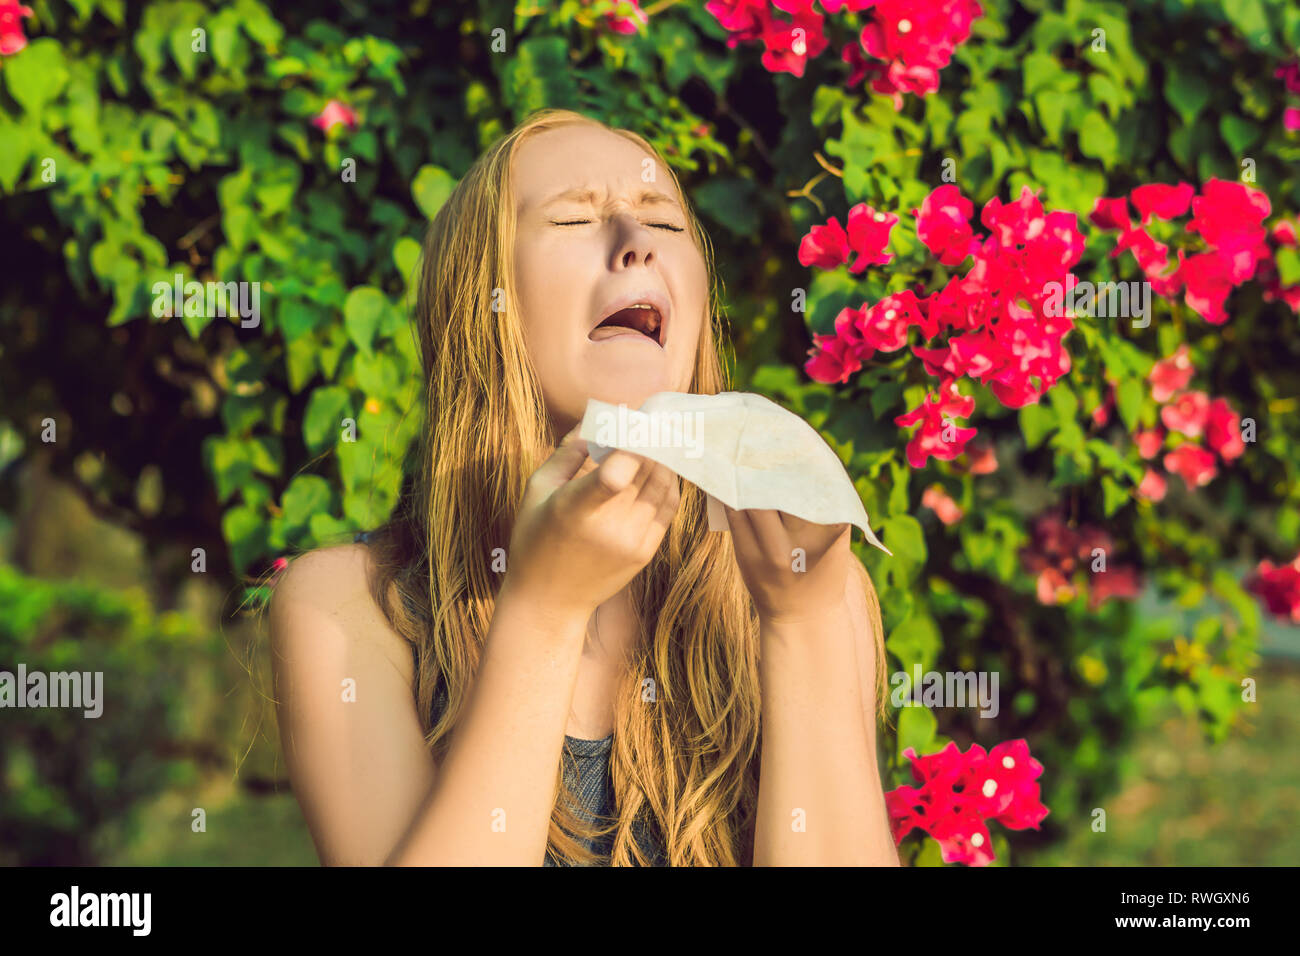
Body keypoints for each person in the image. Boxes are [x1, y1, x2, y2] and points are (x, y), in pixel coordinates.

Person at [268, 108, 899, 866]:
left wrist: (804, 626)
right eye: (572, 219)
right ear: (483, 305)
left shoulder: (819, 586)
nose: (635, 243)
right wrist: (542, 609)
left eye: (664, 226)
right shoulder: (348, 607)